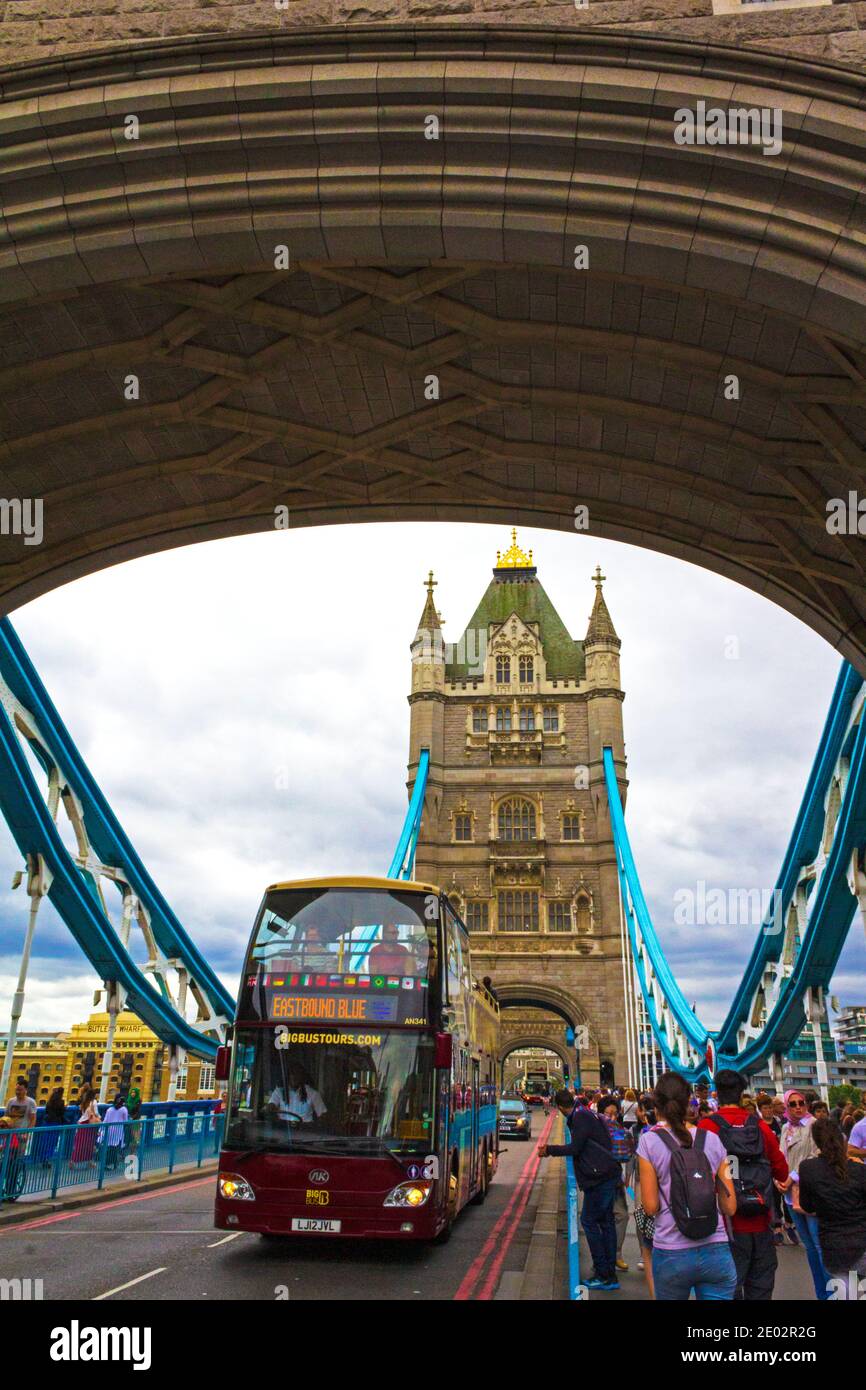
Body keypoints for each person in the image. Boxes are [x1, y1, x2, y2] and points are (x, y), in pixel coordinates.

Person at [637, 1071, 738, 1301]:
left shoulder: (648, 1142)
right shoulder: (712, 1139)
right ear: (687, 1102)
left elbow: (650, 1207)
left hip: (672, 1252)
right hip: (716, 1249)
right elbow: (730, 1206)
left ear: (656, 1104)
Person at [698, 1068, 788, 1300]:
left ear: (716, 1094)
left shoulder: (707, 1127)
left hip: (725, 1225)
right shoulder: (759, 1126)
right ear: (741, 1094)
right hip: (761, 1219)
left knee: (728, 1289)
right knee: (760, 1288)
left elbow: (698, 1176)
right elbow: (781, 1169)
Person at [539, 1087, 622, 1291]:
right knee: (606, 1222)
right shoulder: (583, 1113)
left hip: (600, 1178)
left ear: (559, 1107)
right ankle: (608, 1273)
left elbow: (575, 1148)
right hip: (605, 1174)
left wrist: (549, 1150)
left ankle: (604, 1273)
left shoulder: (580, 1117)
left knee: (589, 1221)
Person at [798, 1117, 866, 1299]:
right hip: (861, 1242)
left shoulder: (808, 1169)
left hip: (833, 1245)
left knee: (846, 1293)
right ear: (842, 1139)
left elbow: (807, 1205)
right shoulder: (859, 1170)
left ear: (817, 1142)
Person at [777, 1089, 831, 1299]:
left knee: (819, 1246)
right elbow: (780, 1156)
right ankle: (821, 1294)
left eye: (802, 1102)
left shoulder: (813, 1126)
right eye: (793, 1104)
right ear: (786, 1107)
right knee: (809, 1247)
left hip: (810, 1192)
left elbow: (814, 1155)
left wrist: (790, 1177)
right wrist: (778, 1178)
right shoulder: (785, 1128)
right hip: (791, 1195)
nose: (798, 1106)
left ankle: (831, 1293)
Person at [597, 1095, 633, 1273]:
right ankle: (603, 1259)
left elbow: (624, 1154)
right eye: (607, 1114)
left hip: (615, 1180)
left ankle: (616, 1253)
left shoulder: (618, 1130)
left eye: (614, 1114)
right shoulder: (594, 1129)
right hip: (598, 1181)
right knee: (601, 1219)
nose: (611, 1118)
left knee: (622, 1216)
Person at [71, 1087, 100, 1166]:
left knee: (80, 1144)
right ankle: (89, 1161)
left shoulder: (84, 1102)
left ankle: (73, 1161)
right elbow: (94, 1114)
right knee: (89, 1144)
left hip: (82, 1124)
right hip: (89, 1126)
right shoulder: (93, 1103)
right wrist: (99, 1120)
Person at [101, 1094, 129, 1170]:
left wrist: (101, 1130)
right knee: (115, 1148)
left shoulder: (109, 1109)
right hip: (118, 1131)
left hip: (109, 1131)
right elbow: (126, 1121)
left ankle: (108, 1163)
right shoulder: (124, 1109)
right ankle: (113, 1163)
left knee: (109, 1147)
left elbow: (105, 1121)